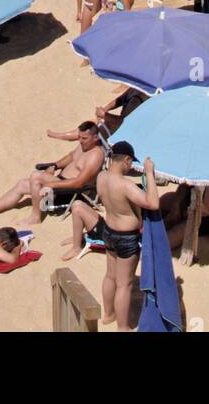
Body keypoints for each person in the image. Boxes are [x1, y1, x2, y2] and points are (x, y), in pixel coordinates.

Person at [64, 142, 159, 331]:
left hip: (108, 231)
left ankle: (108, 315)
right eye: (130, 163)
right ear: (126, 159)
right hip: (126, 237)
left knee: (110, 276)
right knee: (125, 284)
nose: (131, 167)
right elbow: (153, 203)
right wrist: (149, 173)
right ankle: (123, 327)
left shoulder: (101, 177)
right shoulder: (125, 185)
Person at [0, 122, 104, 226]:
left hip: (71, 193)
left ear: (95, 137)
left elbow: (79, 182)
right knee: (22, 184)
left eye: (84, 138)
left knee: (36, 176)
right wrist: (54, 165)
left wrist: (50, 184)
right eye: (79, 137)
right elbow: (71, 157)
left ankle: (36, 217)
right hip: (59, 182)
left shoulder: (95, 155)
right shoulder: (84, 145)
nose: (80, 141)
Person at [160, 182, 209, 250]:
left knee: (180, 230)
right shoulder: (196, 166)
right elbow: (184, 186)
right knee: (166, 199)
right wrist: (176, 205)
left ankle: (156, 245)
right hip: (197, 195)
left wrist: (184, 213)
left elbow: (207, 209)